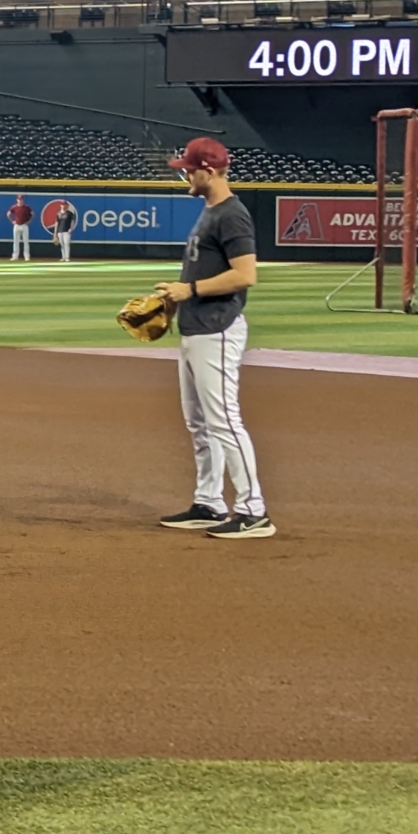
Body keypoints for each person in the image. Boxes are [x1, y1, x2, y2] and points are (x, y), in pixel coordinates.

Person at [155, 137, 274, 539]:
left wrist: (189, 291)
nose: (184, 174)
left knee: (224, 420)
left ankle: (254, 510)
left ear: (208, 170)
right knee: (199, 423)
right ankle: (209, 503)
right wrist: (175, 298)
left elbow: (245, 275)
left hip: (217, 328)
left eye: (188, 168)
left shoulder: (232, 215)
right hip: (195, 327)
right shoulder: (209, 211)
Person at [8, 193, 33, 261]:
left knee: (26, 241)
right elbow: (8, 214)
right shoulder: (14, 207)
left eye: (21, 199)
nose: (20, 200)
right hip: (17, 225)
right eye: (19, 199)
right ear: (17, 200)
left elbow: (32, 214)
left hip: (24, 225)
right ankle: (15, 256)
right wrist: (12, 221)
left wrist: (29, 221)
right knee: (16, 241)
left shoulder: (27, 207)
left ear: (23, 200)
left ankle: (27, 256)